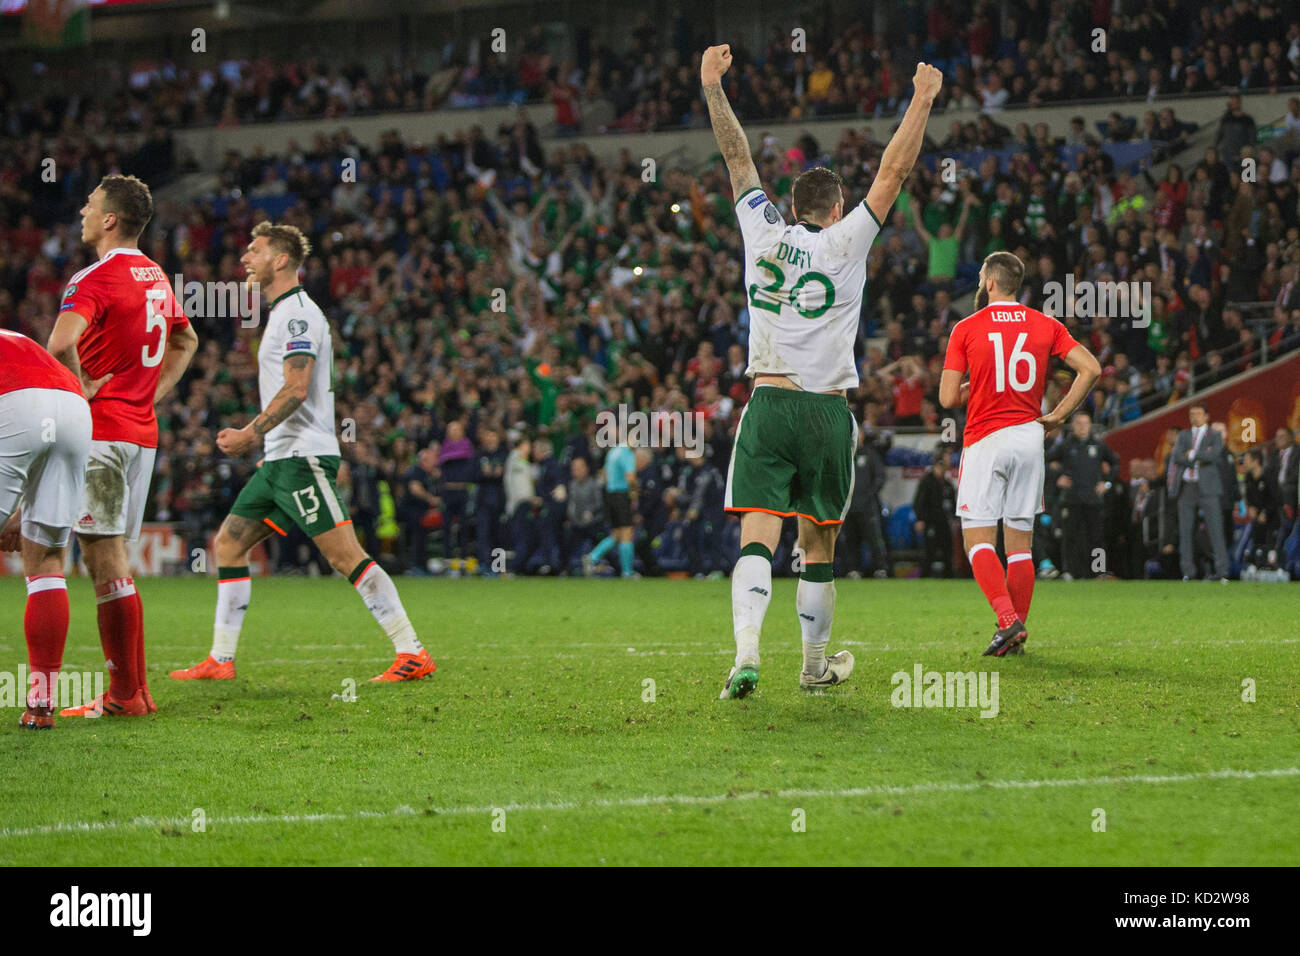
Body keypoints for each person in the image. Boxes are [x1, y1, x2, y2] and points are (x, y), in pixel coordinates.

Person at [701, 43, 943, 698]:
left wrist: (712, 87)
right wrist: (921, 98)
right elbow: (892, 174)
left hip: (770, 402)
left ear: (792, 204)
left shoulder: (762, 230)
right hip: (828, 412)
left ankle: (745, 654)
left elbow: (736, 156)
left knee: (758, 533)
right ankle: (812, 667)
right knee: (817, 545)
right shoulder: (847, 239)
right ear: (835, 209)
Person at [169, 221, 435, 684]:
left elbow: (296, 388)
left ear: (282, 259)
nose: (245, 258)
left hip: (302, 457)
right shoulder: (280, 313)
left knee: (344, 556)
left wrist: (251, 432)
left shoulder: (298, 316)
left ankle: (412, 651)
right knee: (228, 544)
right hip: (278, 460)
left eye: (255, 250)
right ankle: (221, 658)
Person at [49, 175, 198, 717]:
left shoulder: (96, 276)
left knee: (104, 562)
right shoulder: (155, 274)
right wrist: (150, 393)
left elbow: (60, 343)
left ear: (110, 219)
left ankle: (124, 695)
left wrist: (81, 386)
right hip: (140, 433)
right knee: (115, 562)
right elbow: (187, 339)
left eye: (90, 204)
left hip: (102, 432)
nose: (83, 212)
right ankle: (134, 691)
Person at [939, 251, 1101, 656]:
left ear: (990, 282)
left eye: (980, 277)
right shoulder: (1046, 324)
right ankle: (1014, 634)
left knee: (977, 539)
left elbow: (945, 398)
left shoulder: (966, 327)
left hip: (986, 437)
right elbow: (1092, 369)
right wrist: (1060, 415)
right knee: (1020, 547)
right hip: (1030, 437)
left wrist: (974, 385)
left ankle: (1008, 621)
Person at [0, 331, 94, 729]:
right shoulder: (16, 338)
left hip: (17, 404)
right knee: (48, 562)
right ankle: (41, 706)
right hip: (73, 407)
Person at [1046, 412, 1118, 579]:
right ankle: (1071, 571)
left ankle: (1098, 571)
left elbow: (1115, 463)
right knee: (1071, 537)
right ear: (1073, 426)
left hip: (1094, 499)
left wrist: (1106, 483)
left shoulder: (1098, 445)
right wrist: (1058, 477)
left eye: (1086, 423)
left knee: (1097, 537)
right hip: (1072, 499)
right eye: (1079, 424)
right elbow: (1045, 461)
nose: (1083, 427)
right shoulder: (1065, 445)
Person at [1166, 402, 1230, 581]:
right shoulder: (1184, 435)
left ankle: (1222, 571)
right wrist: (1201, 455)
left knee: (1216, 529)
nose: (1194, 417)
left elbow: (1215, 455)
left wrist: (1192, 454)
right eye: (1191, 414)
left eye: (1198, 413)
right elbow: (1177, 456)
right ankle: (1188, 572)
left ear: (1206, 416)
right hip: (1188, 486)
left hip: (1208, 487)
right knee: (1185, 531)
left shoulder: (1215, 434)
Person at [583, 439, 637, 577]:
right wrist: (634, 494)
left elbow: (604, 475)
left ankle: (592, 557)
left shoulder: (612, 451)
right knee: (627, 533)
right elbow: (630, 477)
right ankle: (627, 572)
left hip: (609, 495)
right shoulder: (627, 453)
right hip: (621, 494)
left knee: (616, 534)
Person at [912, 449, 957, 577]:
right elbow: (918, 502)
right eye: (947, 460)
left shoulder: (947, 484)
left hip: (944, 522)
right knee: (929, 553)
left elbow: (952, 503)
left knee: (948, 553)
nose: (949, 463)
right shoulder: (927, 481)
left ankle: (950, 581)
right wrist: (920, 519)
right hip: (930, 522)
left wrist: (954, 518)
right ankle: (924, 579)